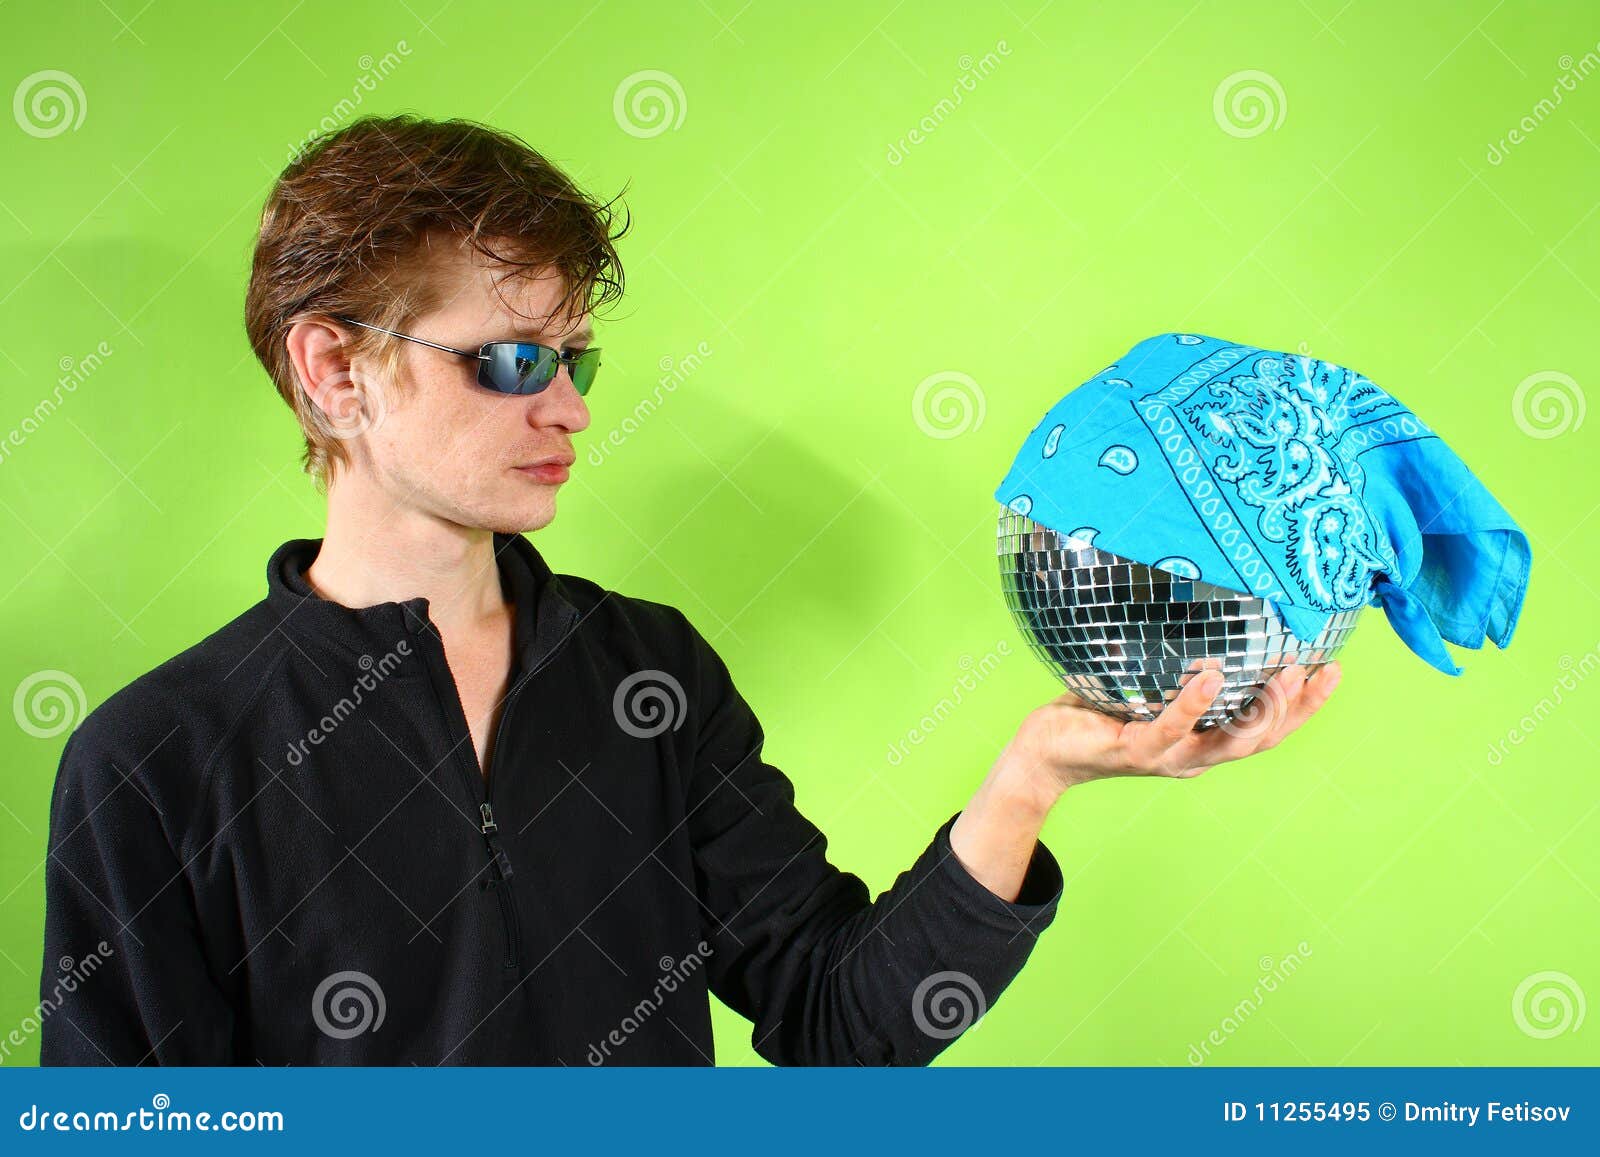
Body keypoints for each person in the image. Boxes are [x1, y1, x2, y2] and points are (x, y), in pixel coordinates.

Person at [39, 115, 1339, 1066]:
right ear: (336, 370)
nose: (564, 406)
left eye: (574, 361)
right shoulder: (156, 761)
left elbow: (841, 1019)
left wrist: (1032, 781)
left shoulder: (643, 677)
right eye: (508, 360)